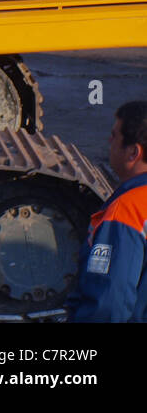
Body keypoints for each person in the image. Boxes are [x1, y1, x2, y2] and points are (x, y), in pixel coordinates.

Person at [67, 100, 147, 322]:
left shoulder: (128, 210)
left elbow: (110, 303)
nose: (109, 141)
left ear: (133, 152)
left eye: (115, 135)